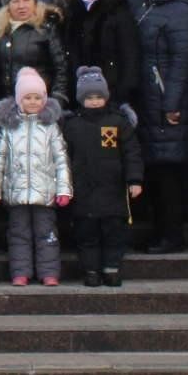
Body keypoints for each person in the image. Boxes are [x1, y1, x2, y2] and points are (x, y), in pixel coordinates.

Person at [132, 0, 188, 254]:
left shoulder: (181, 12)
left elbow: (183, 62)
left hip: (166, 105)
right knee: (156, 170)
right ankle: (161, 232)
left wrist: (170, 103)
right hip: (148, 100)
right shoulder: (150, 5)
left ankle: (172, 235)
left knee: (169, 172)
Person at [60, 67, 143, 287]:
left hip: (113, 190)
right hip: (83, 189)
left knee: (114, 233)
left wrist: (134, 180)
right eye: (89, 97)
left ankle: (111, 268)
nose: (95, 101)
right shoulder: (71, 125)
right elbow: (63, 157)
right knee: (87, 235)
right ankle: (91, 270)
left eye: (98, 97)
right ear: (81, 99)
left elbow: (131, 153)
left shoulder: (117, 122)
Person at [0, 67, 72, 286]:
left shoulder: (51, 128)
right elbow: (0, 161)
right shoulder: (9, 129)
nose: (33, 102)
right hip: (16, 193)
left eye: (38, 97)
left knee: (47, 234)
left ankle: (48, 272)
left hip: (45, 192)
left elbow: (61, 160)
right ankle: (20, 271)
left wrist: (64, 189)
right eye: (28, 97)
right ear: (18, 100)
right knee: (18, 234)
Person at [60, 0, 139, 109]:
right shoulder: (73, 8)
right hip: (78, 86)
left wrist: (124, 90)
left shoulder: (118, 8)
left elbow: (129, 52)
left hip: (111, 87)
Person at [0, 0, 68, 104]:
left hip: (39, 101)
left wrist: (57, 99)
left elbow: (61, 67)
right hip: (8, 103)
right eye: (15, 1)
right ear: (8, 5)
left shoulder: (46, 28)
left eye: (26, 0)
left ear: (35, 2)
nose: (21, 6)